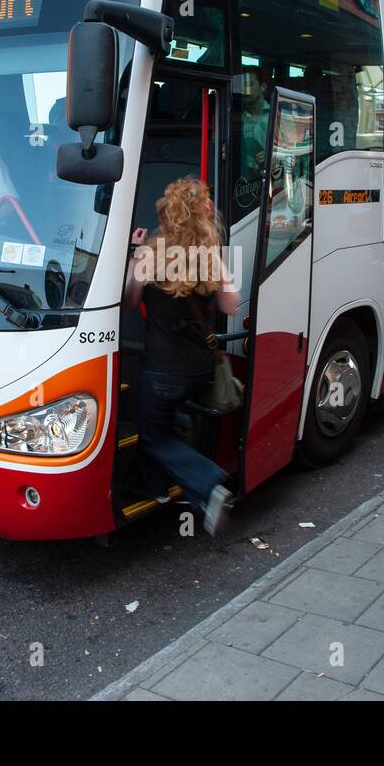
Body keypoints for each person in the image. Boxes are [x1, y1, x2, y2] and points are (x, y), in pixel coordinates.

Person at [123, 176, 240, 536]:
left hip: (162, 371)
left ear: (166, 213)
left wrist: (134, 253)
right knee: (158, 430)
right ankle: (158, 490)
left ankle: (209, 483)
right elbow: (232, 306)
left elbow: (131, 301)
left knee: (154, 435)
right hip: (200, 369)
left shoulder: (150, 254)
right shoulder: (209, 255)